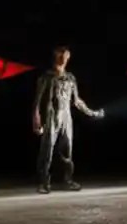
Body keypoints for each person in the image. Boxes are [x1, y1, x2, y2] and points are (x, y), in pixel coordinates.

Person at [32, 45, 104, 193]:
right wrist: (36, 118)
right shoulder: (47, 77)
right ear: (55, 56)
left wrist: (92, 113)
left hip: (66, 116)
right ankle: (44, 182)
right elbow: (37, 100)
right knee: (47, 150)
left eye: (65, 56)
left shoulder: (70, 78)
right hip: (51, 115)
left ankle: (67, 180)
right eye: (60, 56)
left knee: (66, 150)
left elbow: (76, 100)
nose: (63, 59)